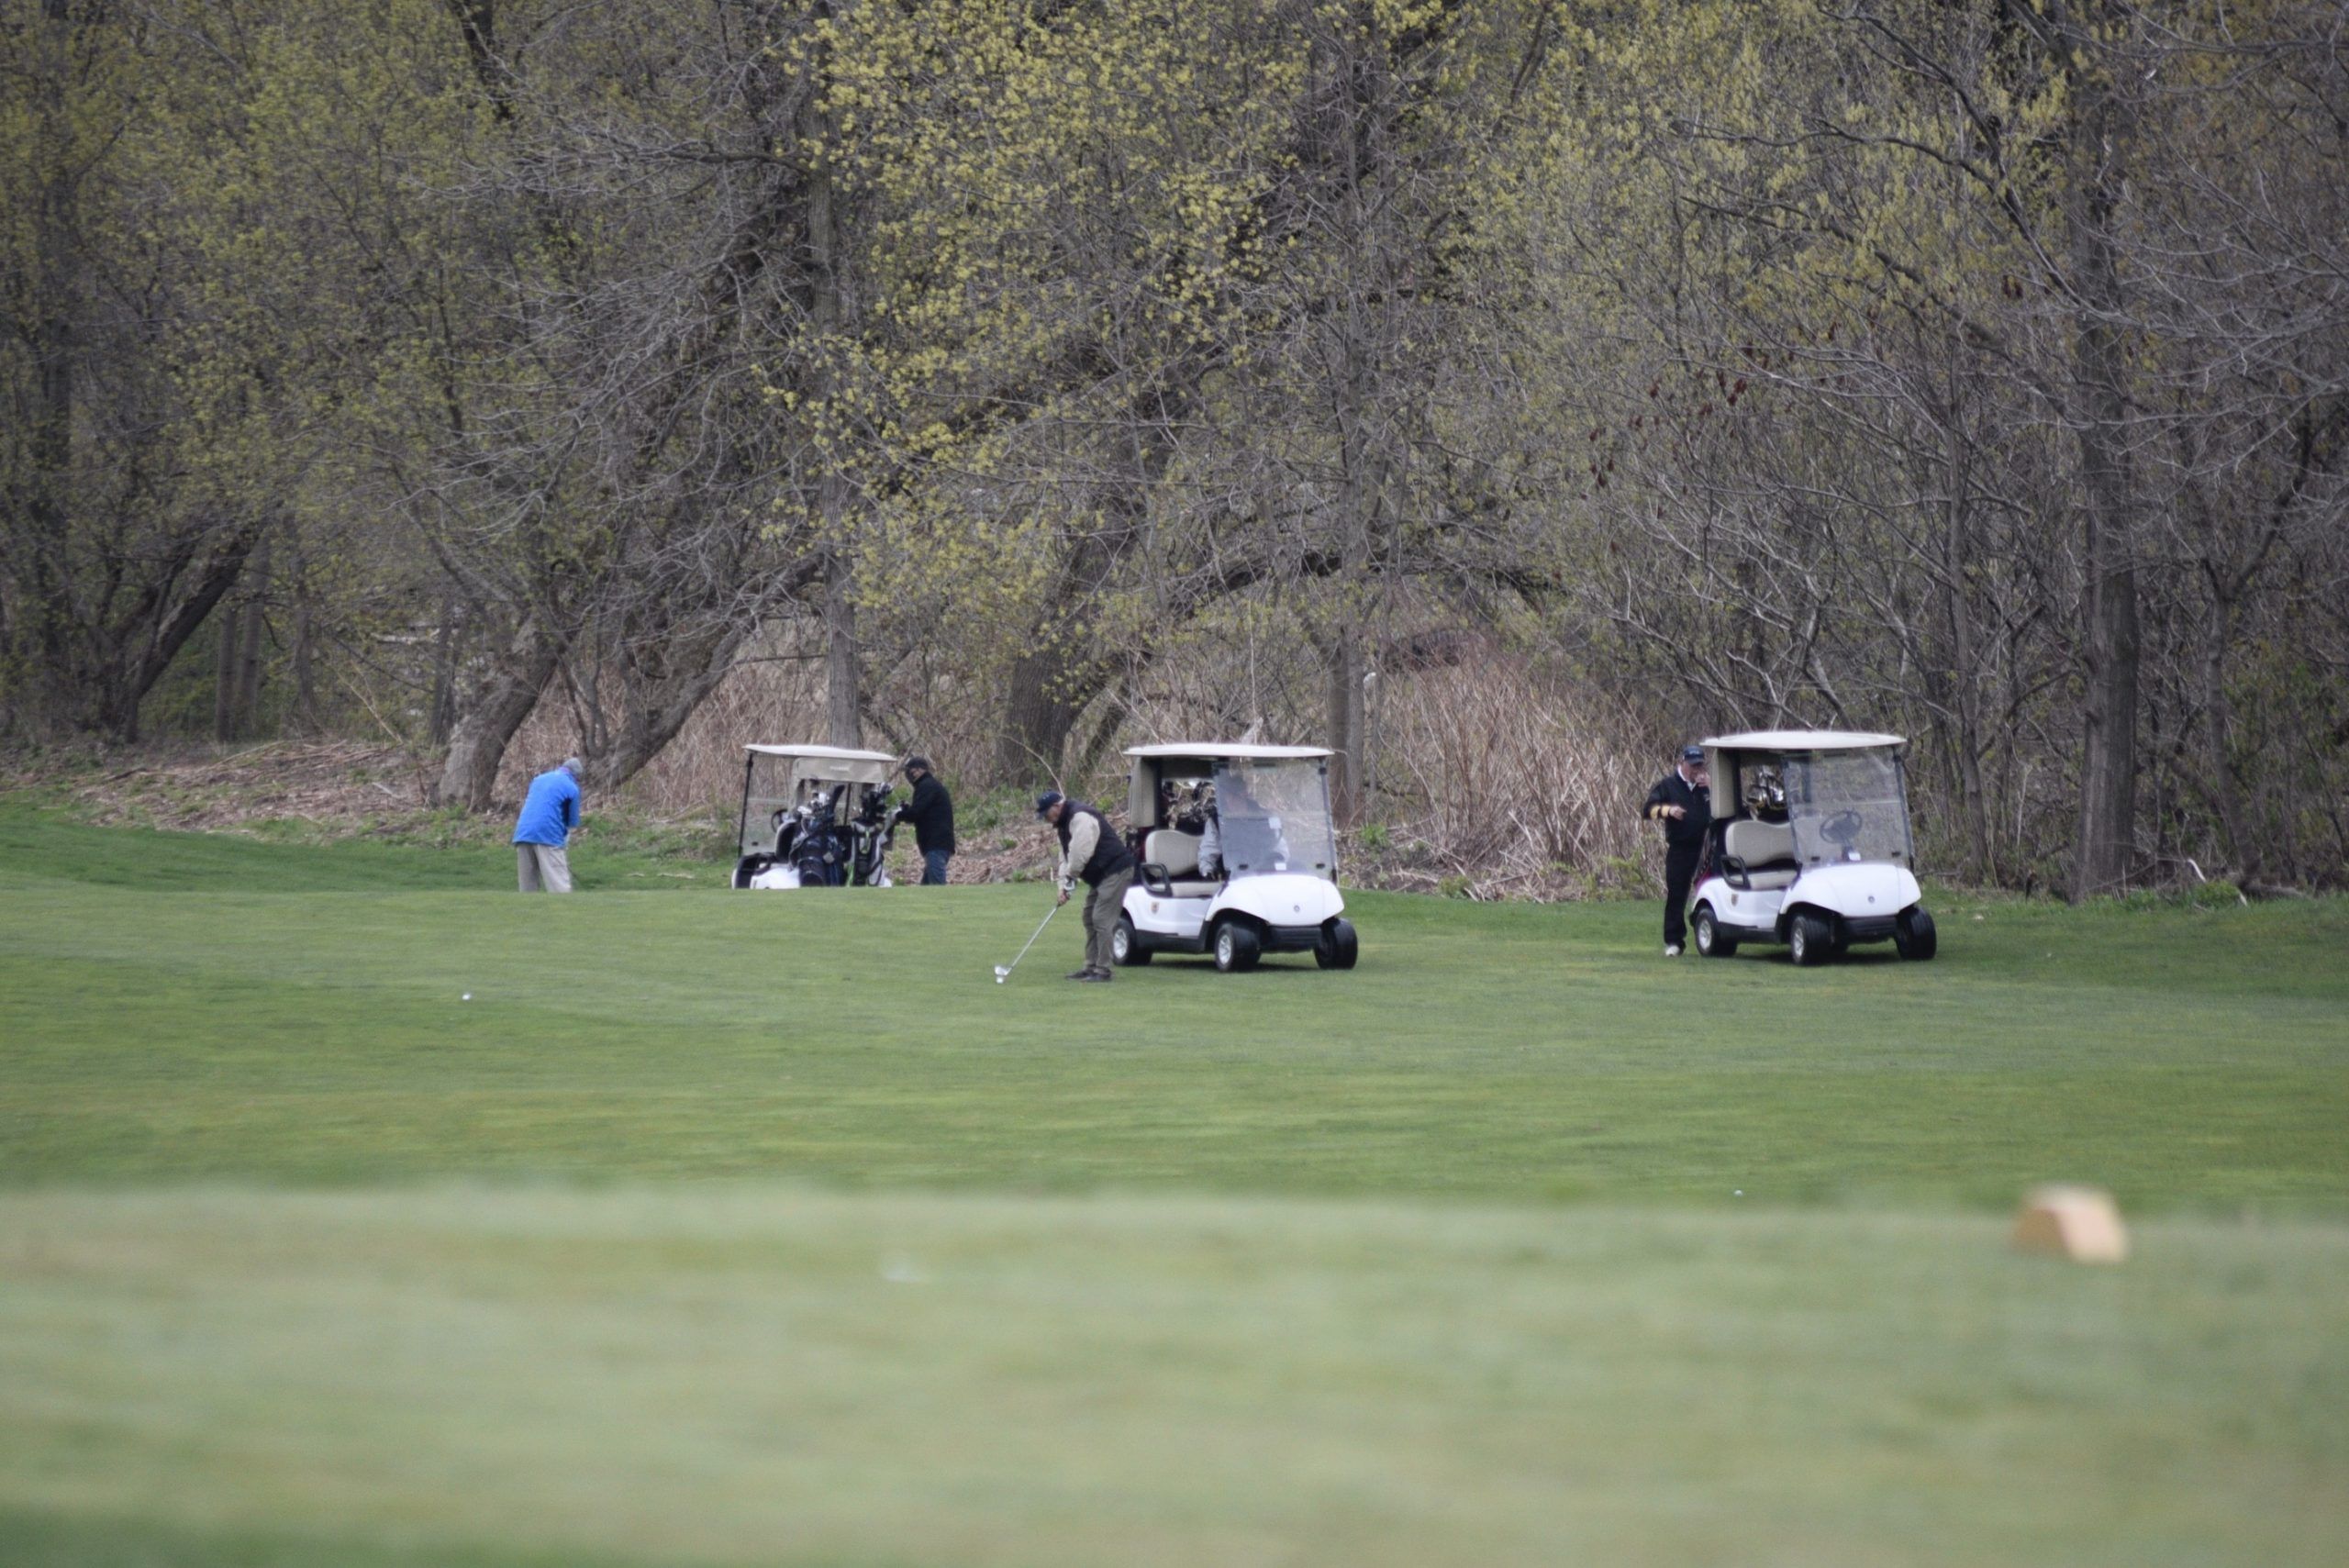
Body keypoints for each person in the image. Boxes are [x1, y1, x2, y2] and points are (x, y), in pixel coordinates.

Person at [1038, 788, 1137, 982]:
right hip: (1101, 875)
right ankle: (1090, 967)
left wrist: (1070, 881)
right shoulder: (1063, 824)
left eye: (1046, 813)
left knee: (1101, 918)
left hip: (1116, 870)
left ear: (1056, 806)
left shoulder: (1080, 817)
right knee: (1089, 917)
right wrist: (1062, 886)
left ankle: (1103, 970)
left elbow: (1080, 854)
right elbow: (1065, 858)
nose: (1046, 819)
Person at [1642, 743, 1711, 955]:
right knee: (1677, 893)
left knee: (1711, 889)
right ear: (1682, 763)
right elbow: (1648, 810)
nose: (1696, 770)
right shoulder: (1668, 785)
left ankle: (1714, 935)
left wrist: (1712, 787)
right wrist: (1668, 810)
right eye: (1693, 766)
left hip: (1707, 847)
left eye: (1700, 766)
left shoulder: (1705, 786)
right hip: (1681, 848)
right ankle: (1674, 941)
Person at [513, 756, 583, 893]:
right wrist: (564, 840)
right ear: (576, 775)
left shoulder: (538, 779)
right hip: (548, 834)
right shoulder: (571, 787)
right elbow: (572, 821)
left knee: (527, 889)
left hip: (522, 833)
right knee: (559, 887)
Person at [894, 755, 956, 884]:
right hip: (936, 844)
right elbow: (921, 811)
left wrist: (898, 815)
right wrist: (906, 811)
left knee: (937, 888)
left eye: (911, 771)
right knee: (926, 888)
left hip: (936, 844)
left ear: (919, 770)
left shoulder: (927, 786)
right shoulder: (929, 786)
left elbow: (916, 813)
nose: (909, 775)